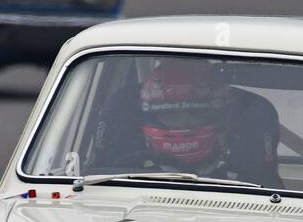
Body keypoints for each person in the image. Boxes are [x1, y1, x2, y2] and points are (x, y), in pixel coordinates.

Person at [90, 58, 282, 187]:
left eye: (195, 113)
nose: (183, 124)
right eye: (171, 115)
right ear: (148, 119)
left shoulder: (251, 183)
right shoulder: (113, 178)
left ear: (221, 118)